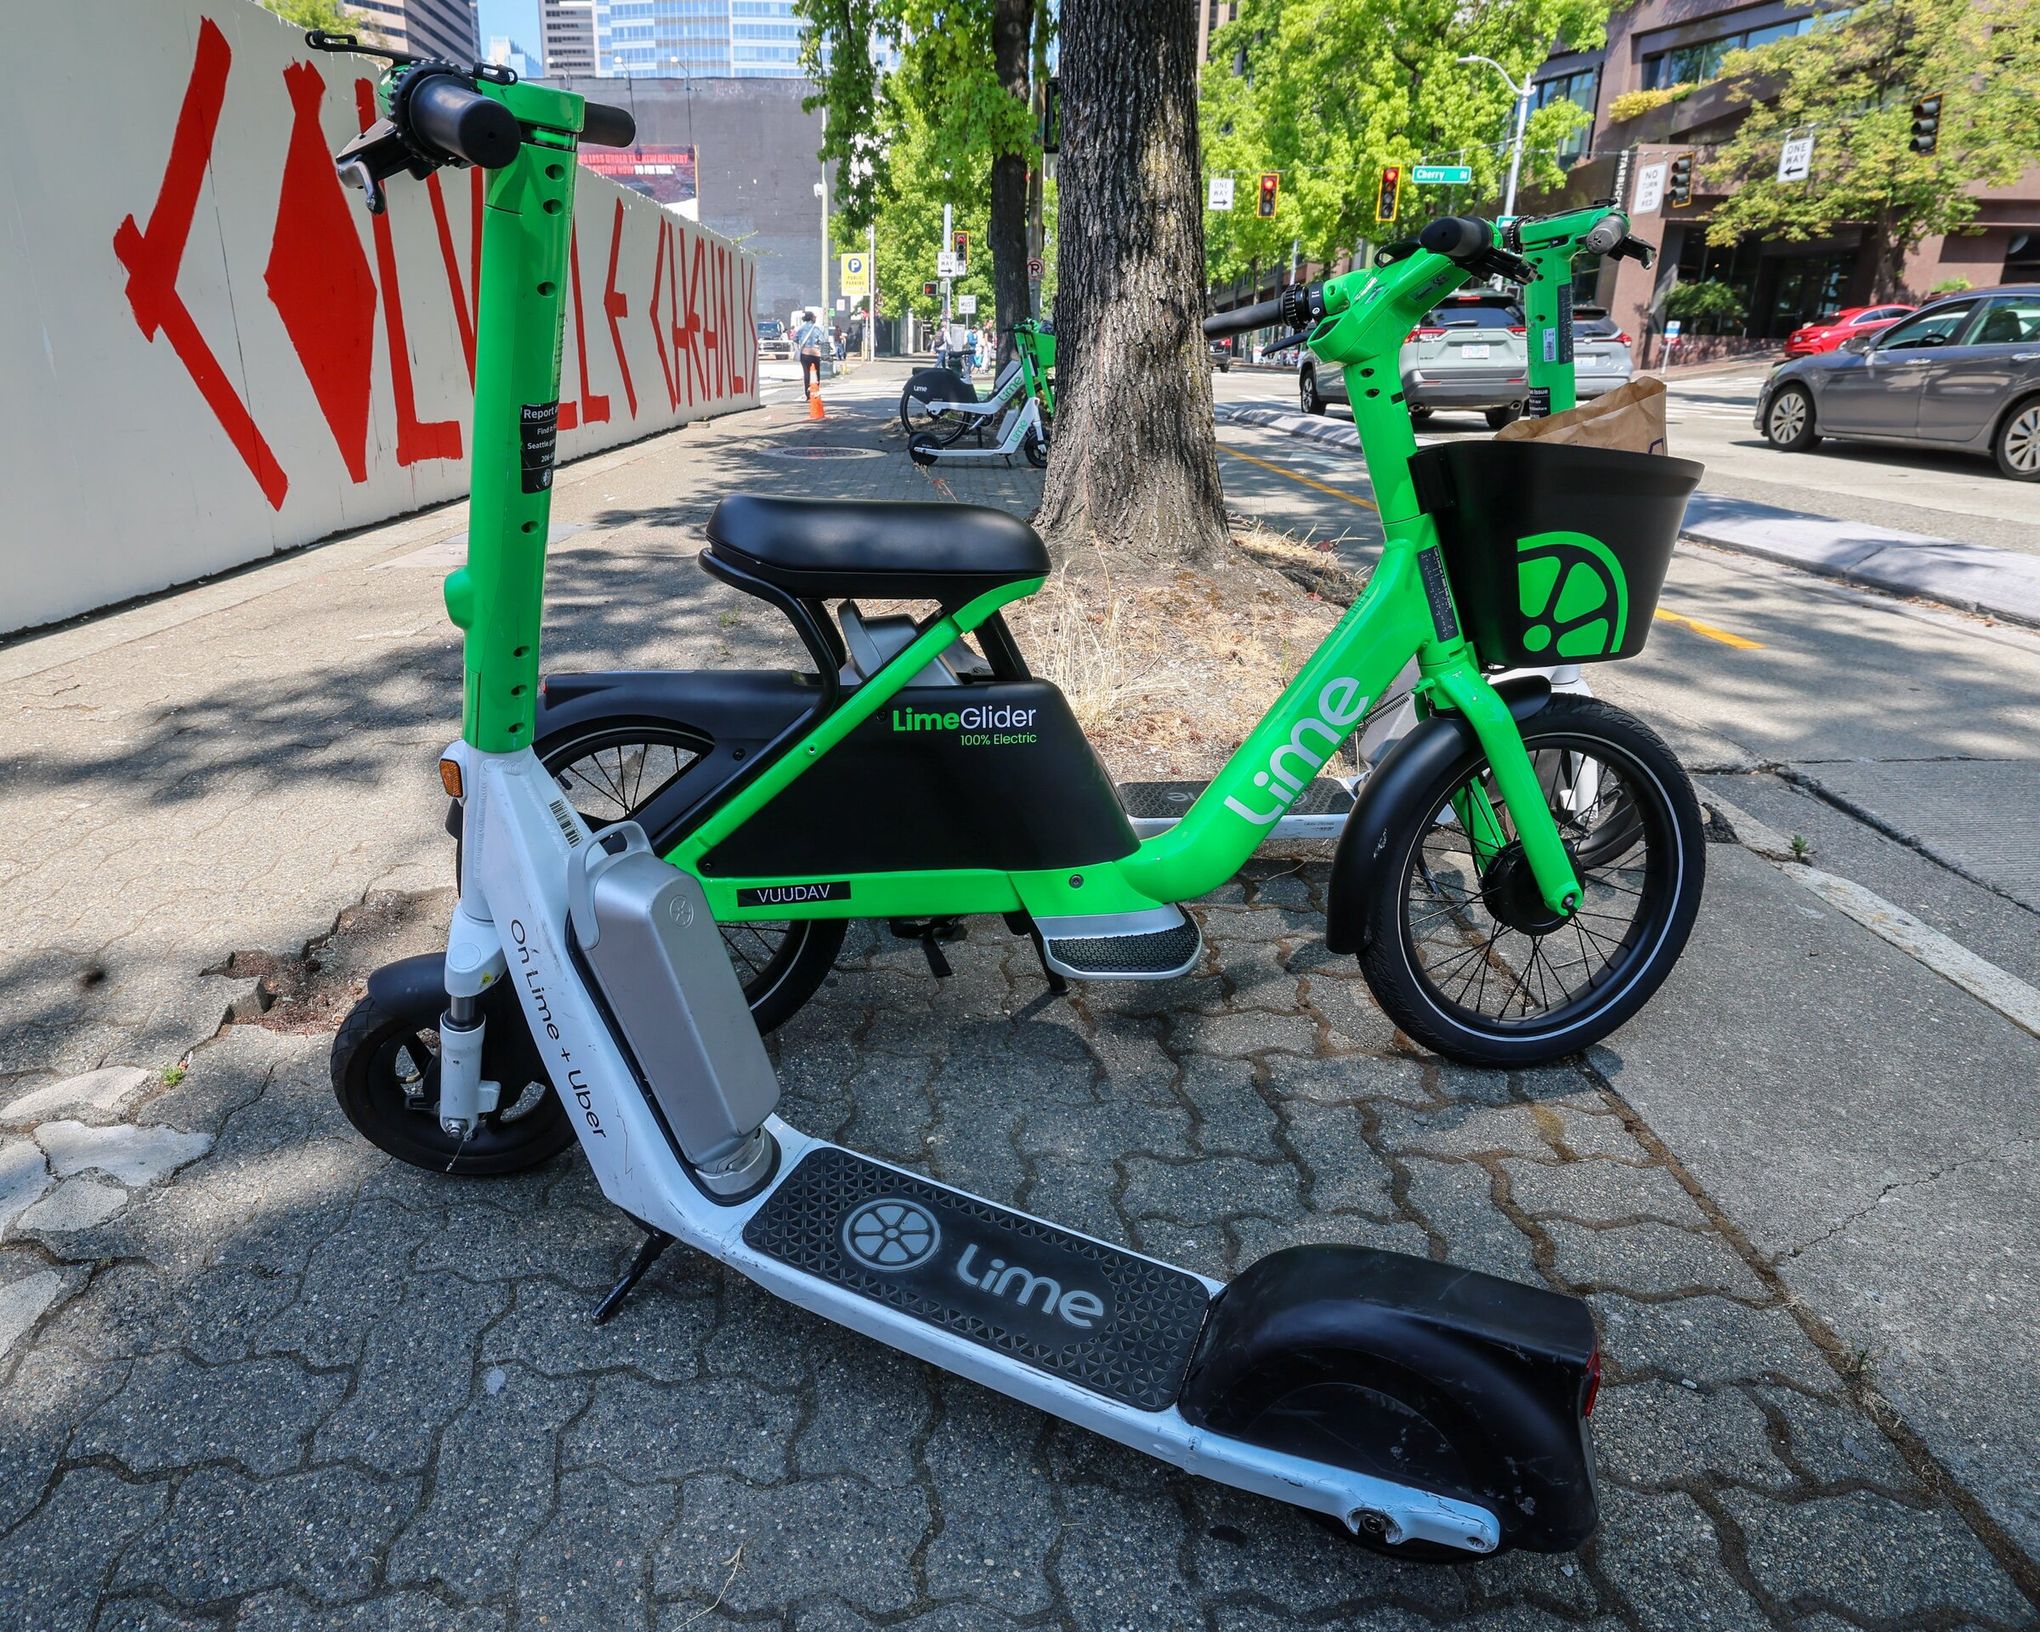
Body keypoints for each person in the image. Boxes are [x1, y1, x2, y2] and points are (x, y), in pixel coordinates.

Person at [794, 310, 828, 398]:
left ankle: (807, 393)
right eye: (814, 317)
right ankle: (815, 390)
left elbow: (795, 339)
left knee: (806, 373)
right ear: (812, 318)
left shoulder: (801, 329)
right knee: (816, 373)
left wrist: (799, 347)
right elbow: (822, 341)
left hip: (804, 353)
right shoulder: (816, 329)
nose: (815, 318)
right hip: (815, 353)